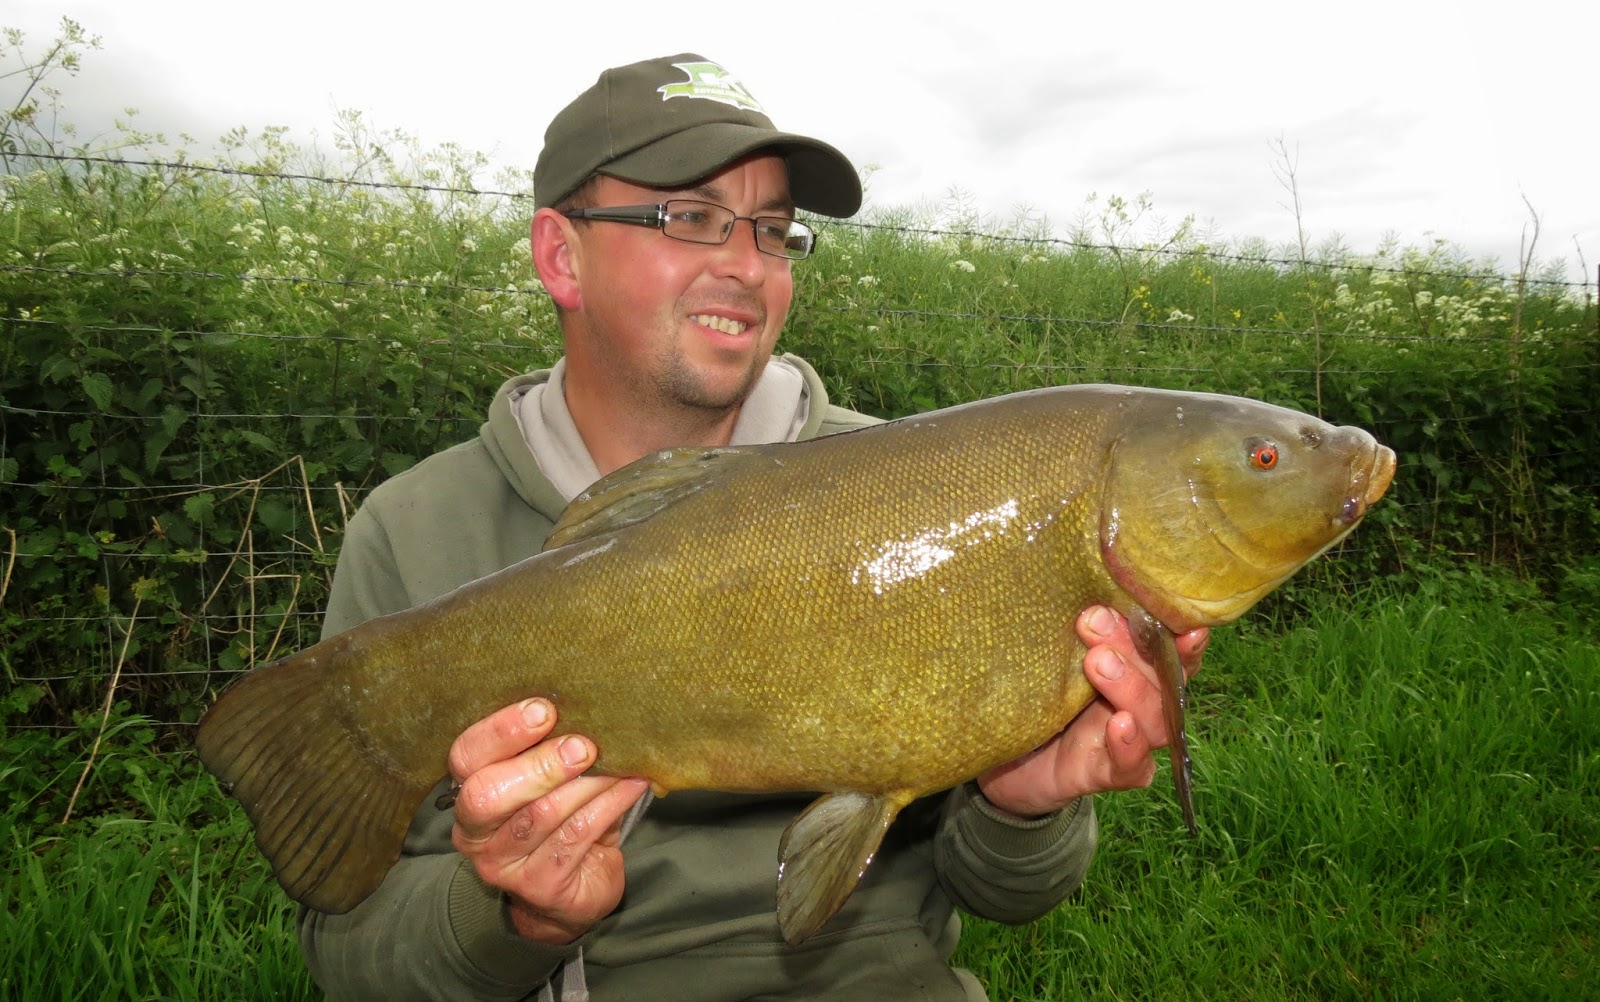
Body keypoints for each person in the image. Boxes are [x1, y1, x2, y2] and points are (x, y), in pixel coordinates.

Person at [297, 54, 1208, 1002]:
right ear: (561, 255)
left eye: (772, 231)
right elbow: (352, 959)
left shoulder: (921, 486)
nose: (744, 264)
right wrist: (516, 917)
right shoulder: (416, 533)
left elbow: (1003, 892)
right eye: (689, 217)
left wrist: (1021, 801)